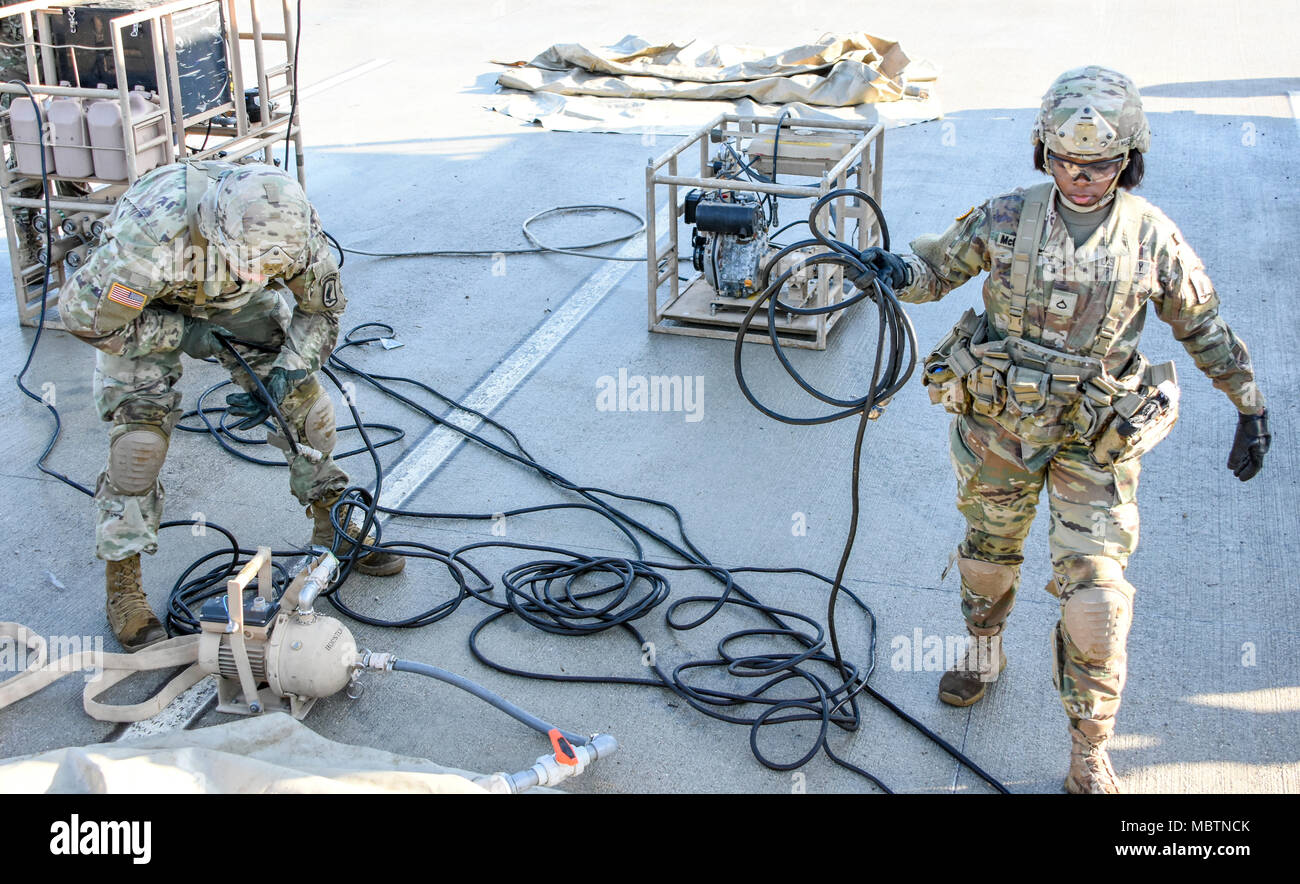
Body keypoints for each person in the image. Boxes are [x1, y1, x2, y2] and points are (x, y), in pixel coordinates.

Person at [859, 66, 1271, 793]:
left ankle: (1089, 750)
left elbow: (1202, 324)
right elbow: (936, 268)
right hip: (998, 430)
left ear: (1130, 159)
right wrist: (895, 269)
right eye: (1066, 162)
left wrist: (1249, 403)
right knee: (988, 554)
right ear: (1043, 153)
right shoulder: (1007, 215)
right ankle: (984, 649)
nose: (1082, 178)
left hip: (1093, 439)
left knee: (1098, 599)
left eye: (1103, 164)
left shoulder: (1152, 238)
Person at [59, 160, 405, 652]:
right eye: (252, 263)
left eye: (272, 267)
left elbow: (321, 310)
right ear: (215, 233)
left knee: (308, 411)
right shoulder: (150, 238)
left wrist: (289, 368)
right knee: (137, 447)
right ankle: (124, 584)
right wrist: (185, 333)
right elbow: (88, 321)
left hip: (236, 306)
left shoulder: (292, 229)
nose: (264, 273)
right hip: (145, 314)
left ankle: (335, 523)